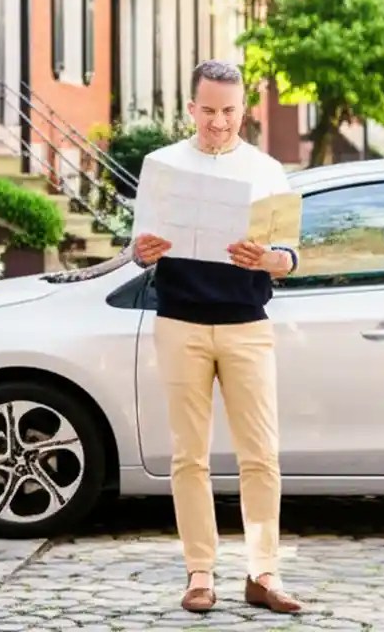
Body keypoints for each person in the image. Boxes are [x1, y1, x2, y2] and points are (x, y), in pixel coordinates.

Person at [127, 60, 303, 614]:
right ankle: (199, 574)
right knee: (189, 456)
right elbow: (138, 245)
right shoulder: (161, 165)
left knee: (260, 456)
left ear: (243, 110)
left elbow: (291, 255)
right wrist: (143, 252)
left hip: (247, 325)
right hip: (179, 322)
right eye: (208, 111)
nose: (219, 123)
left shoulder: (266, 169)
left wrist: (269, 258)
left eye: (229, 111)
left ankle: (263, 572)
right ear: (190, 109)